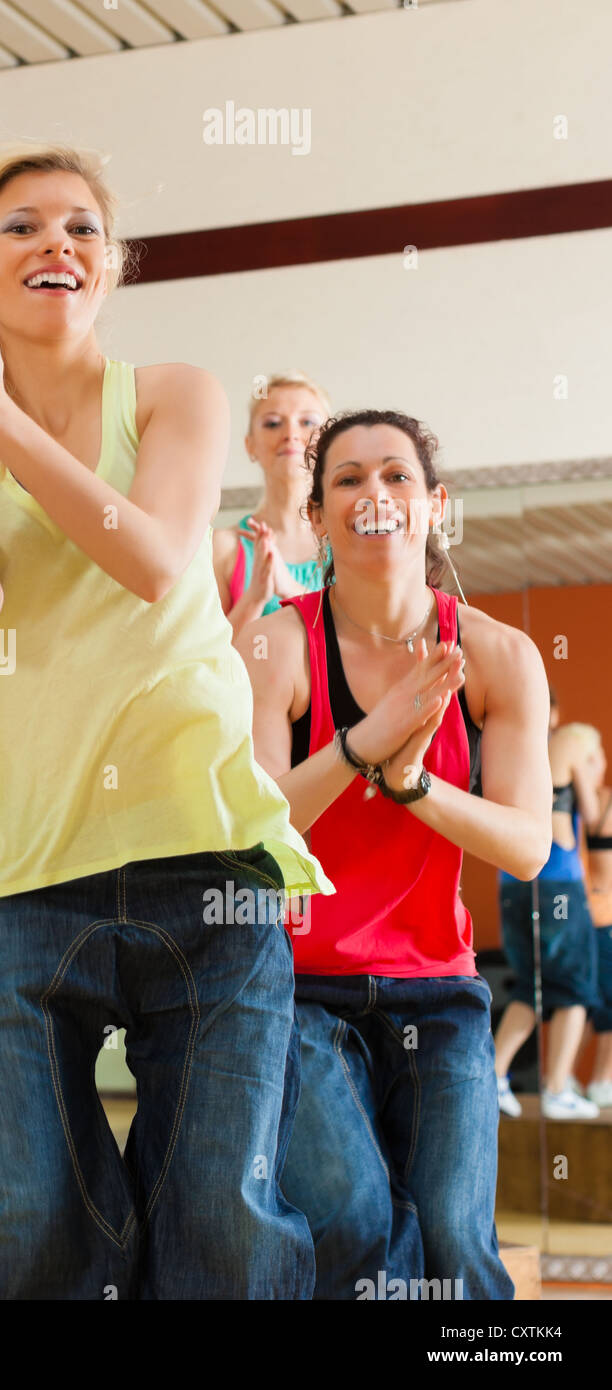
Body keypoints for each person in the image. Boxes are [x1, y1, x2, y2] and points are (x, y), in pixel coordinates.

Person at [0, 143, 333, 1299]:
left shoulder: (175, 393)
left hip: (197, 844)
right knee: (24, 1237)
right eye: (21, 227)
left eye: (79, 228)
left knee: (222, 1232)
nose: (54, 243)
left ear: (106, 268)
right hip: (18, 862)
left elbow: (156, 563)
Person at [237, 407, 551, 1300]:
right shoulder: (273, 644)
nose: (374, 494)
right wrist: (362, 744)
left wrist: (415, 785)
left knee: (457, 1238)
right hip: (299, 992)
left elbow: (527, 847)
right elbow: (254, 833)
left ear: (435, 505)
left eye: (396, 475)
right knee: (355, 1221)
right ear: (318, 515)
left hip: (439, 989)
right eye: (347, 480)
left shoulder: (499, 654)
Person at [495, 710, 604, 1119]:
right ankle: (558, 1088)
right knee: (577, 985)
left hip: (513, 881)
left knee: (533, 985)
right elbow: (591, 819)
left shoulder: (517, 751)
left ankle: (495, 1075)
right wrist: (590, 775)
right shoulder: (572, 747)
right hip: (559, 880)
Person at [211, 373, 330, 638]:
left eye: (307, 422)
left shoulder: (353, 541)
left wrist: (290, 589)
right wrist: (254, 597)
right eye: (273, 423)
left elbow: (366, 642)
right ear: (250, 445)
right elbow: (211, 662)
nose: (291, 434)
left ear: (331, 442)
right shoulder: (223, 547)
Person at [582, 752, 612, 1107]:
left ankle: (565, 1079)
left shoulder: (577, 804)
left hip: (582, 912)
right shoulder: (603, 803)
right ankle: (601, 1082)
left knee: (585, 1003)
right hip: (602, 916)